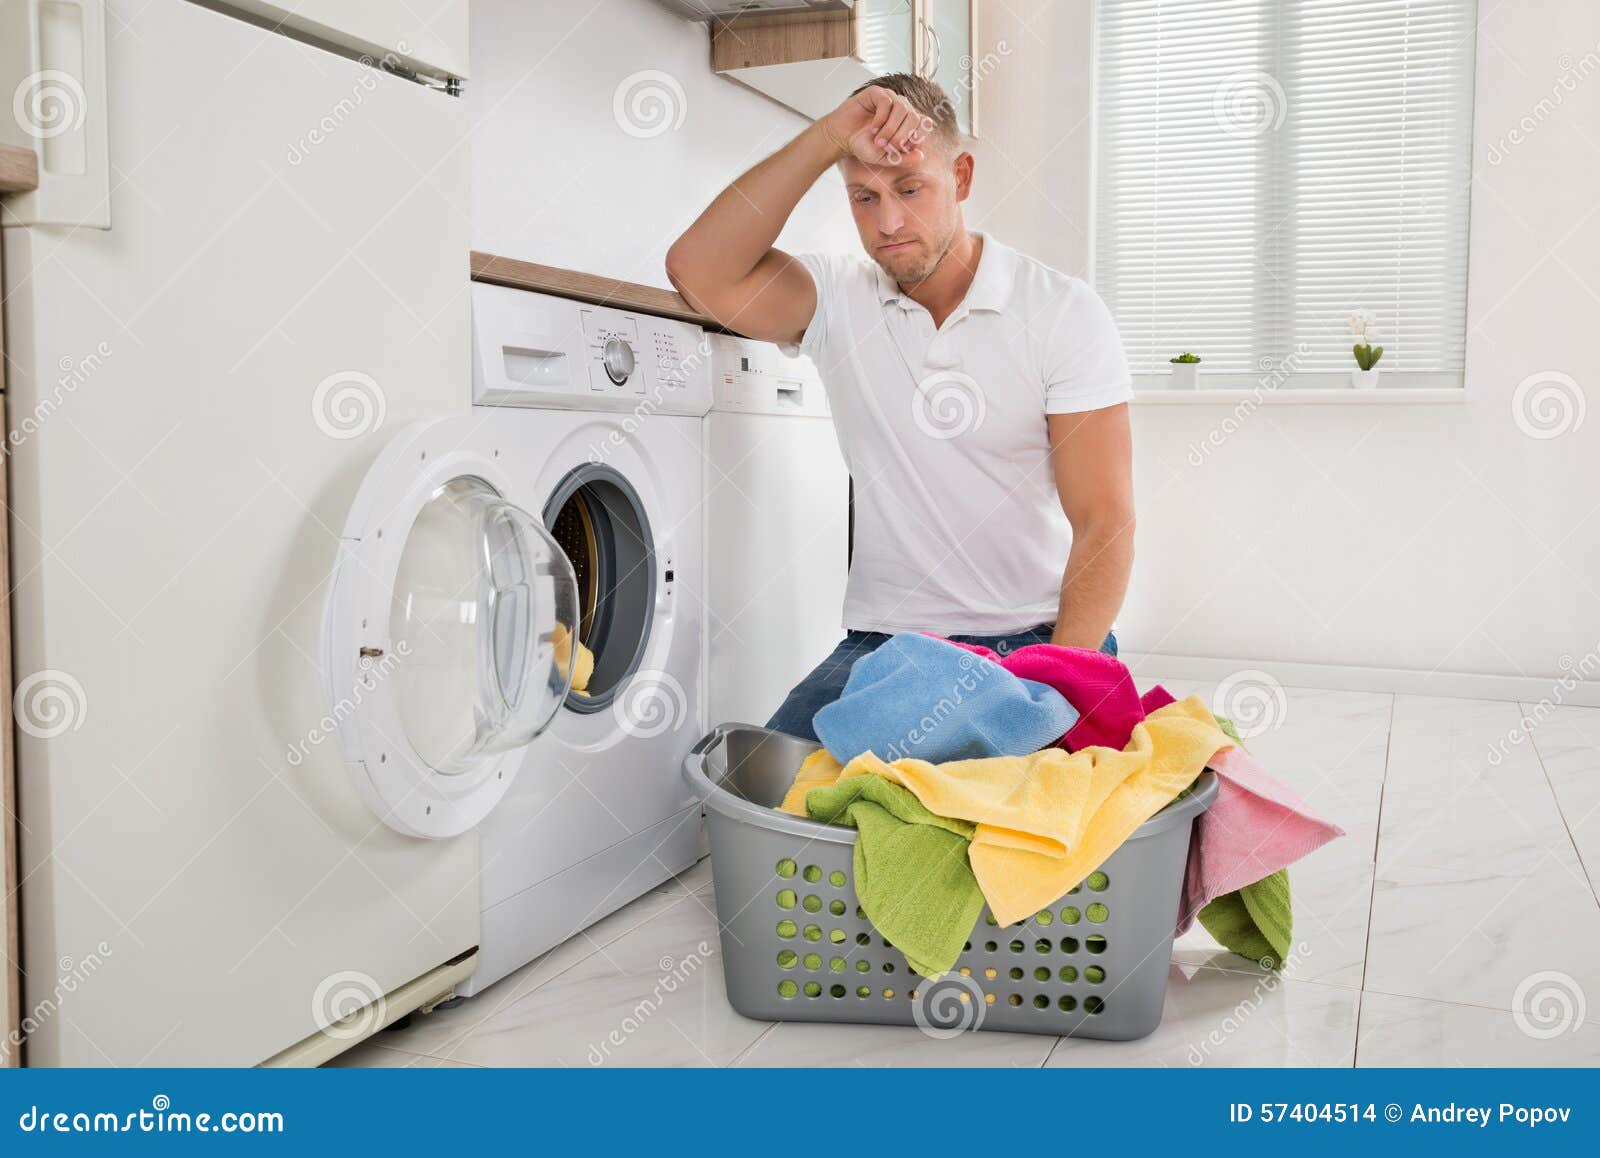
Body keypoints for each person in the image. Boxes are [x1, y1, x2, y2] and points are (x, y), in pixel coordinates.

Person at [666, 73, 1135, 742]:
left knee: (1009, 801)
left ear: (961, 177)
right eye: (865, 197)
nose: (887, 223)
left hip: (1036, 640)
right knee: (759, 789)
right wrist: (830, 134)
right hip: (885, 650)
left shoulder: (1062, 311)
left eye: (910, 189)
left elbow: (1105, 520)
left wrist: (1055, 683)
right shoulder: (836, 299)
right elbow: (697, 268)